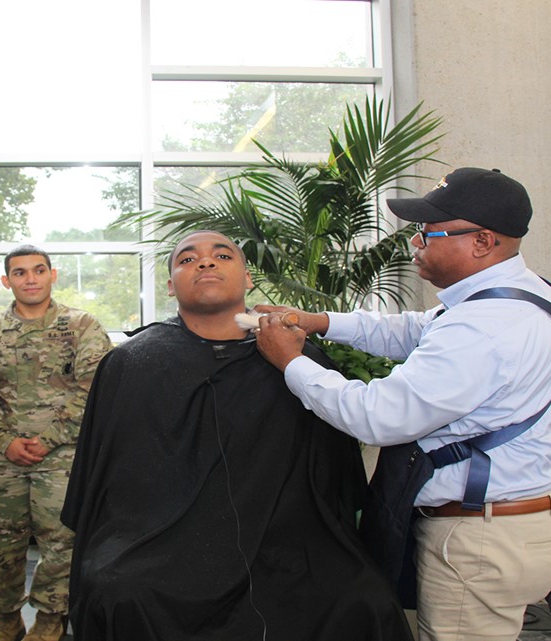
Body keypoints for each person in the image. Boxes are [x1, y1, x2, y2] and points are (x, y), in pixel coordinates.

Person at [254, 167, 551, 641]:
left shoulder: (485, 327)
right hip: (519, 517)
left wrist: (291, 363)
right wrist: (320, 320)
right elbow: (414, 331)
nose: (415, 244)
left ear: (483, 242)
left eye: (429, 232)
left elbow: (377, 416)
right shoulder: (519, 293)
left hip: (481, 540)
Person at [60, 231, 413, 641]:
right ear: (171, 286)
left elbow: (333, 480)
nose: (206, 263)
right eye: (188, 259)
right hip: (164, 544)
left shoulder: (299, 359)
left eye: (222, 255)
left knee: (364, 599)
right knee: (122, 592)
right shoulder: (132, 363)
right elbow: (106, 486)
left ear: (247, 278)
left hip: (290, 544)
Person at [0, 245, 112, 641]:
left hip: (63, 458)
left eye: (38, 270)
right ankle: (7, 618)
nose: (30, 278)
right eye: (20, 272)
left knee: (63, 541)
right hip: (1, 459)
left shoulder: (81, 326)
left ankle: (51, 618)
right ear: (6, 280)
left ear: (52, 275)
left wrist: (46, 440)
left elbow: (96, 390)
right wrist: (5, 440)